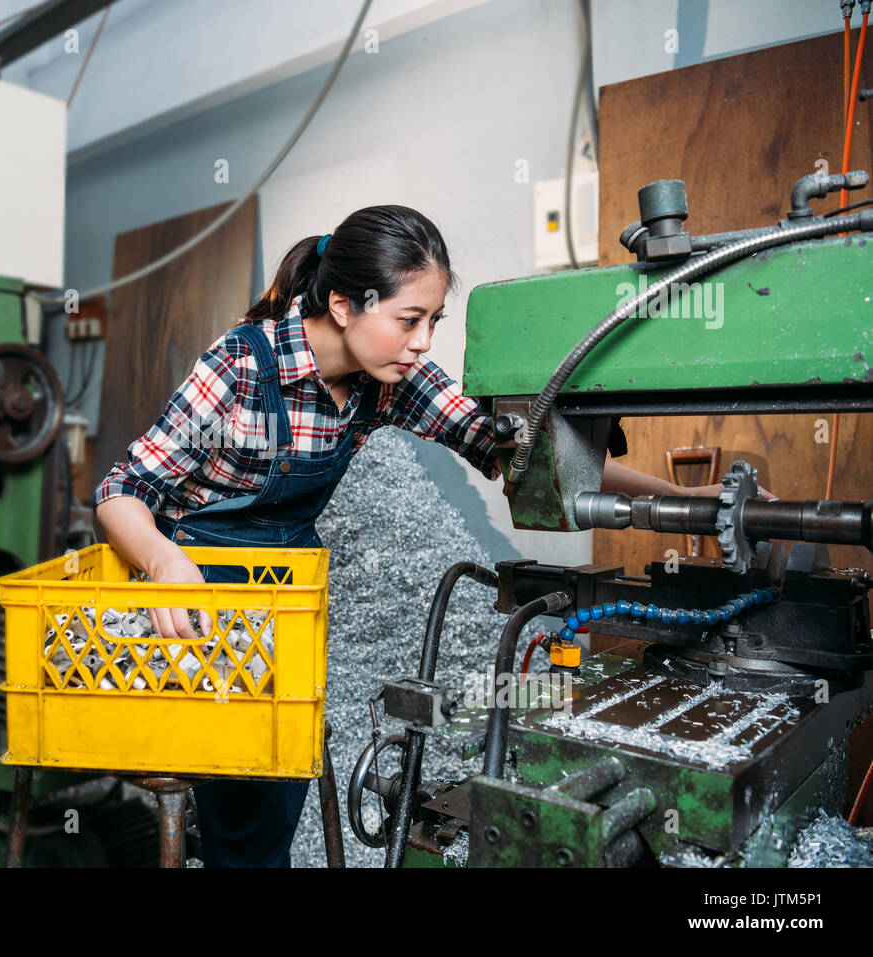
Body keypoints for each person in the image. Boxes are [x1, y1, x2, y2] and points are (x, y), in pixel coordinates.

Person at [93, 204, 772, 867]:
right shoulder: (241, 367)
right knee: (231, 787)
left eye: (434, 321)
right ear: (342, 305)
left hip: (282, 605)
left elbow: (511, 452)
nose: (423, 343)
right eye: (409, 320)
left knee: (268, 801)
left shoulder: (385, 382)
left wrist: (682, 497)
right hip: (190, 598)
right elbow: (122, 487)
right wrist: (160, 559)